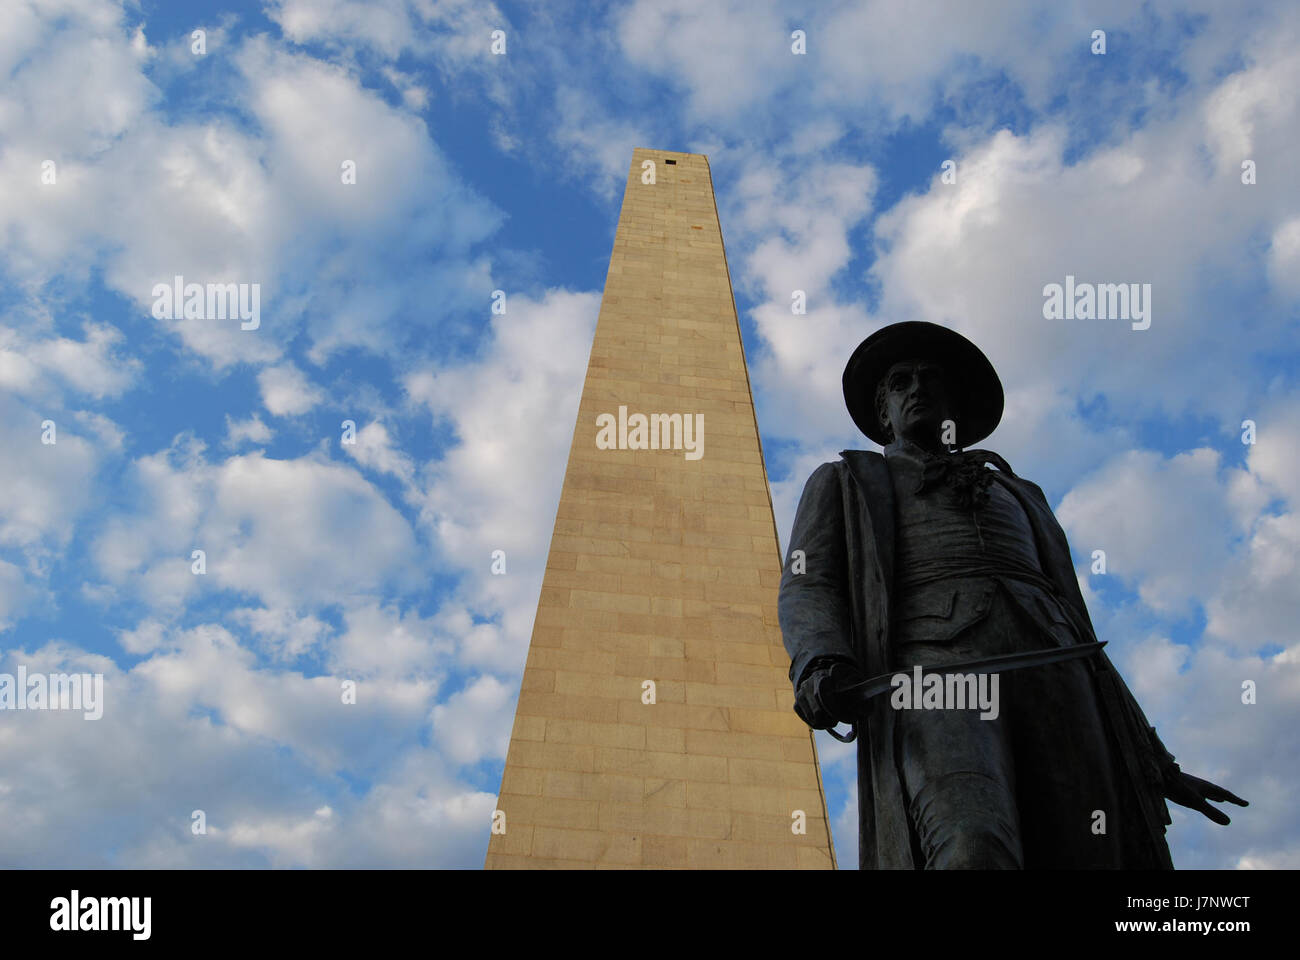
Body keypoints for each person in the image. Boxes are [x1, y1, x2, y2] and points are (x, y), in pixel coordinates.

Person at [778, 321, 1246, 869]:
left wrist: (1151, 756)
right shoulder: (846, 481)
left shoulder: (1023, 494)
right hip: (936, 676)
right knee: (972, 843)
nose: (918, 389)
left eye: (932, 379)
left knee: (1090, 851)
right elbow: (810, 581)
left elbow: (1085, 632)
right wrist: (819, 660)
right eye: (901, 382)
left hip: (1058, 671)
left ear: (959, 405)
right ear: (884, 412)